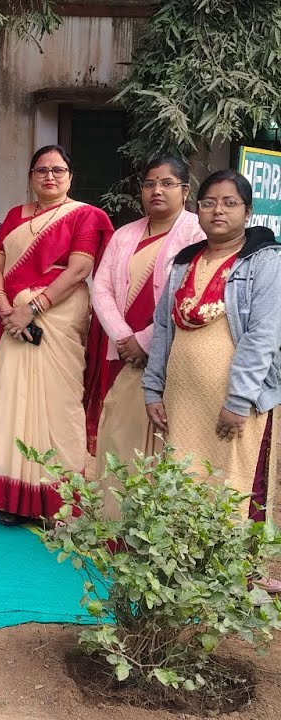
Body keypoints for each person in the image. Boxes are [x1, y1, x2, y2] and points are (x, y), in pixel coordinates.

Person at [144, 171, 281, 592]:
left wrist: (238, 399)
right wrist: (153, 388)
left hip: (235, 401)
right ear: (196, 208)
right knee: (185, 478)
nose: (218, 210)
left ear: (248, 211)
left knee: (236, 481)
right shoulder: (185, 261)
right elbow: (163, 329)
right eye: (208, 202)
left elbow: (263, 333)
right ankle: (187, 570)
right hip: (182, 400)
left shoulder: (265, 259)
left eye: (230, 202)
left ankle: (240, 576)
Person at [0, 145, 113, 525]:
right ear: (30, 176)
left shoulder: (84, 215)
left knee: (59, 402)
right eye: (41, 170)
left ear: (70, 176)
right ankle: (12, 494)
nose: (49, 177)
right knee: (10, 397)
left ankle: (60, 499)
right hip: (10, 317)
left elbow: (77, 270)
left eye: (58, 170)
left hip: (57, 314)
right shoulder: (13, 215)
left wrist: (32, 308)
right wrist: (2, 303)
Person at [90, 156, 204, 513]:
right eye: (150, 183)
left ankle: (151, 529)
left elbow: (190, 292)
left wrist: (145, 340)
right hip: (122, 354)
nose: (156, 190)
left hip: (169, 356)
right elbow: (101, 289)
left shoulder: (196, 233)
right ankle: (111, 523)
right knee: (119, 435)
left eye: (167, 183)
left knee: (162, 440)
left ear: (185, 191)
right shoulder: (125, 234)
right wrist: (125, 337)